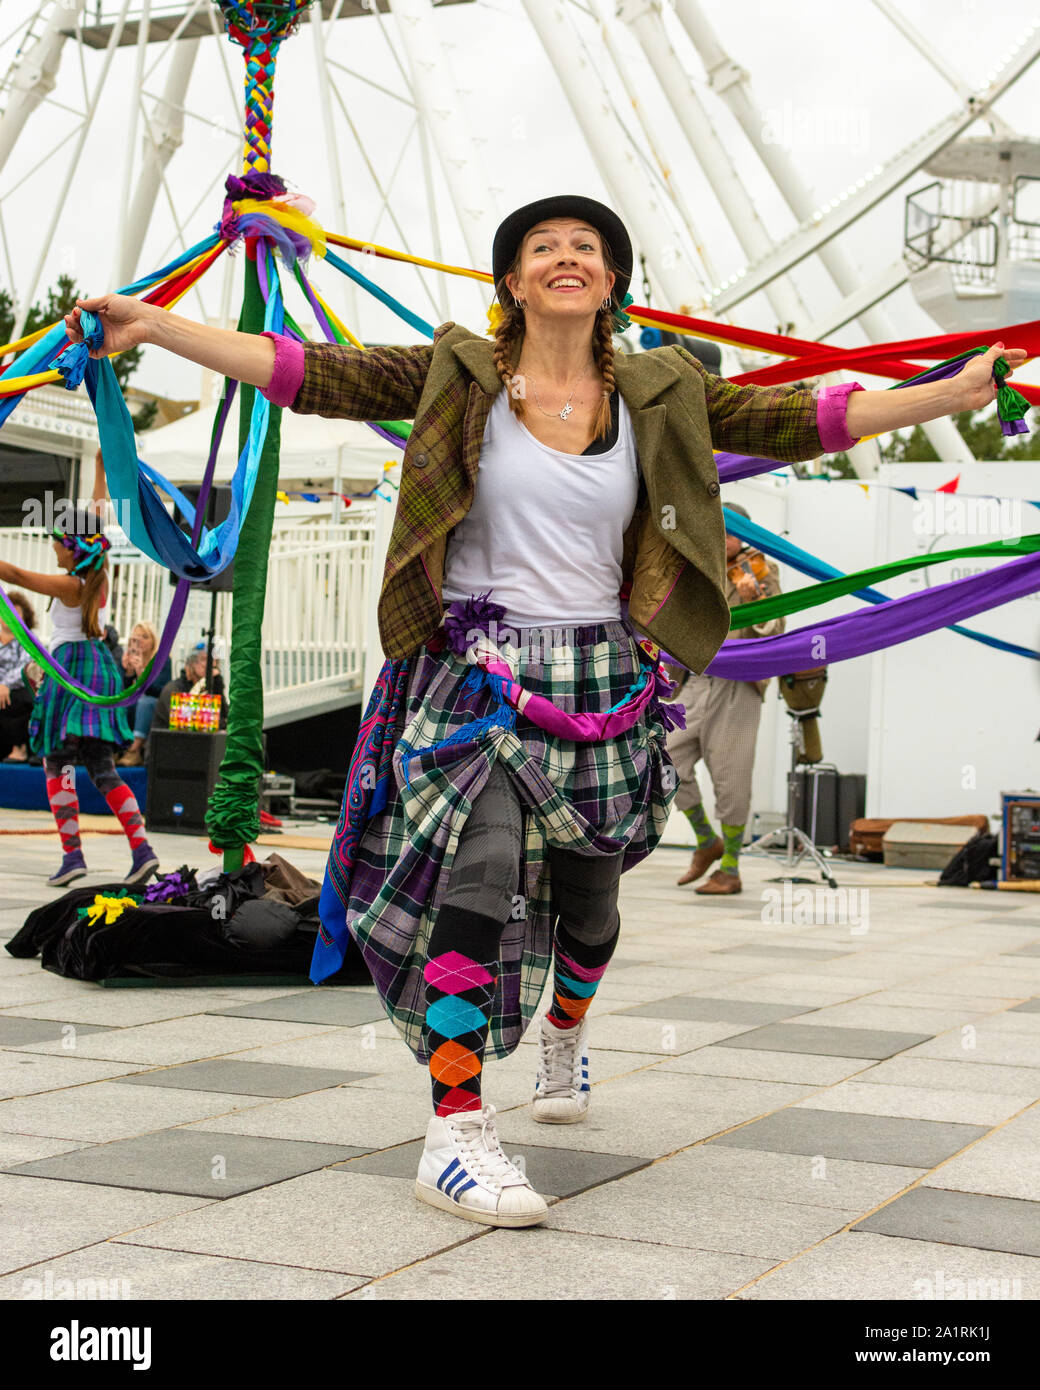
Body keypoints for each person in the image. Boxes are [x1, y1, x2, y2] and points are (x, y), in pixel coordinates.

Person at [64, 194, 1026, 1230]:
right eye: (542, 248)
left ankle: (566, 1028)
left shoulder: (664, 390)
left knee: (590, 901)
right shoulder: (457, 374)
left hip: (602, 678)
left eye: (587, 247)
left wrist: (948, 394)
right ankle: (455, 1131)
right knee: (474, 876)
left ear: (611, 281)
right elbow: (310, 374)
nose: (566, 257)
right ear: (512, 282)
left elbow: (800, 419)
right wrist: (157, 326)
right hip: (469, 671)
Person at [0, 507, 160, 887]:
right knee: (101, 766)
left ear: (72, 548)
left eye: (56, 541)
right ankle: (142, 851)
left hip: (71, 669)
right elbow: (94, 516)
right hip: (96, 668)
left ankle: (72, 855)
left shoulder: (72, 586)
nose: (52, 547)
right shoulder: (96, 577)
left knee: (58, 762)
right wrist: (103, 471)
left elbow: (18, 575)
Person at [666, 503, 784, 895]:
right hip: (697, 681)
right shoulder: (699, 566)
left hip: (738, 688)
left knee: (731, 780)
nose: (727, 540)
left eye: (734, 533)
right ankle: (705, 841)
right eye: (722, 531)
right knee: (664, 760)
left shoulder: (760, 568)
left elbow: (775, 627)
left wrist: (753, 600)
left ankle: (730, 867)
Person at [116, 621, 173, 765]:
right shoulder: (127, 657)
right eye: (136, 638)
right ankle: (117, 747)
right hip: (135, 702)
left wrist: (141, 673)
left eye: (145, 637)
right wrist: (128, 672)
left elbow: (161, 691)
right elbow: (122, 691)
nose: (140, 640)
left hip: (153, 704)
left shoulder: (162, 660)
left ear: (153, 641)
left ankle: (134, 749)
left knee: (144, 702)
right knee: (120, 704)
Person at [149, 643, 227, 742]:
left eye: (213, 661)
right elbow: (192, 722)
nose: (210, 664)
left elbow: (225, 719)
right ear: (191, 663)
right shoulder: (173, 689)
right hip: (166, 747)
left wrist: (218, 686)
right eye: (203, 659)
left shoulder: (209, 689)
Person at [0, 589, 37, 762]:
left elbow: (25, 667)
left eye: (15, 612)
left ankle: (19, 748)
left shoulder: (28, 640)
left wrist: (5, 684)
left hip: (20, 690)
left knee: (17, 699)